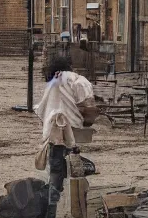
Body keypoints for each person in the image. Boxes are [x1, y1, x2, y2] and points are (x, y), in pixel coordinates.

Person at [34, 53, 99, 209]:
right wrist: (87, 122)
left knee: (56, 167)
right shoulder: (78, 80)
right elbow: (88, 107)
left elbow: (41, 109)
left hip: (53, 131)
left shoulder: (53, 82)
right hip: (72, 130)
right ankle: (75, 204)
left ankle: (52, 206)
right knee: (71, 166)